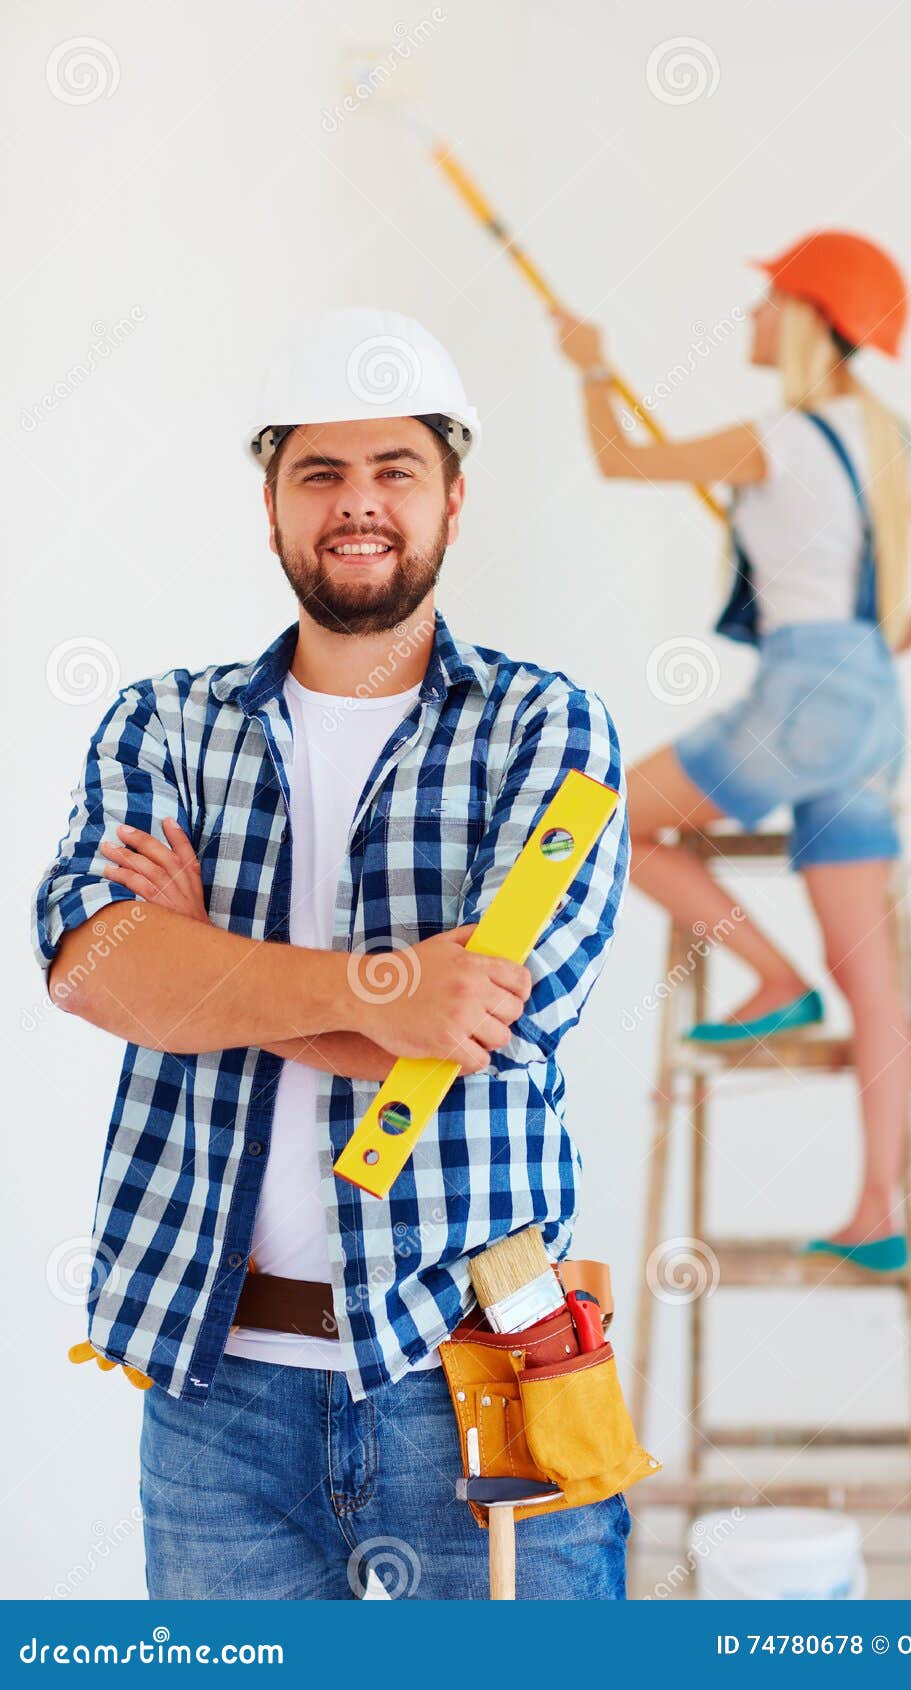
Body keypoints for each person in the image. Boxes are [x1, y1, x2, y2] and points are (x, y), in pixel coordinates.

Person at [32, 307, 631, 1600]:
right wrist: (380, 994)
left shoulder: (545, 728)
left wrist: (201, 966)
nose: (357, 503)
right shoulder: (162, 725)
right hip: (216, 1402)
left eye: (393, 469)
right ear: (271, 508)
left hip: (472, 1371)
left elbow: (484, 1030)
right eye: (319, 473)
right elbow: (89, 967)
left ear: (452, 499)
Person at [552, 231, 911, 1271]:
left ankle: (770, 977)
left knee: (600, 820)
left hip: (800, 697)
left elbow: (618, 459)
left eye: (768, 300)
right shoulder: (891, 438)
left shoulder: (781, 437)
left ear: (808, 316)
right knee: (872, 982)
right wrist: (879, 646)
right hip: (869, 707)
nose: (751, 316)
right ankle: (877, 1214)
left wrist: (590, 367)